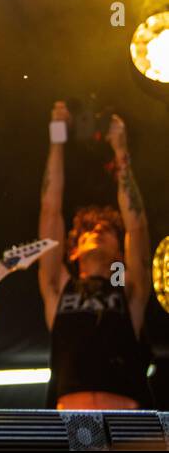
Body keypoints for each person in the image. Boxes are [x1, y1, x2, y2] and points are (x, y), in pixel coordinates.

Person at [37, 102, 151, 409]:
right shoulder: (58, 286)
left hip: (127, 424)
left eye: (108, 230)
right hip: (69, 424)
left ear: (120, 250)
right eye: (89, 230)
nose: (98, 231)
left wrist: (120, 151)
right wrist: (57, 140)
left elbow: (137, 225)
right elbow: (51, 211)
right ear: (73, 248)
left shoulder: (129, 290)